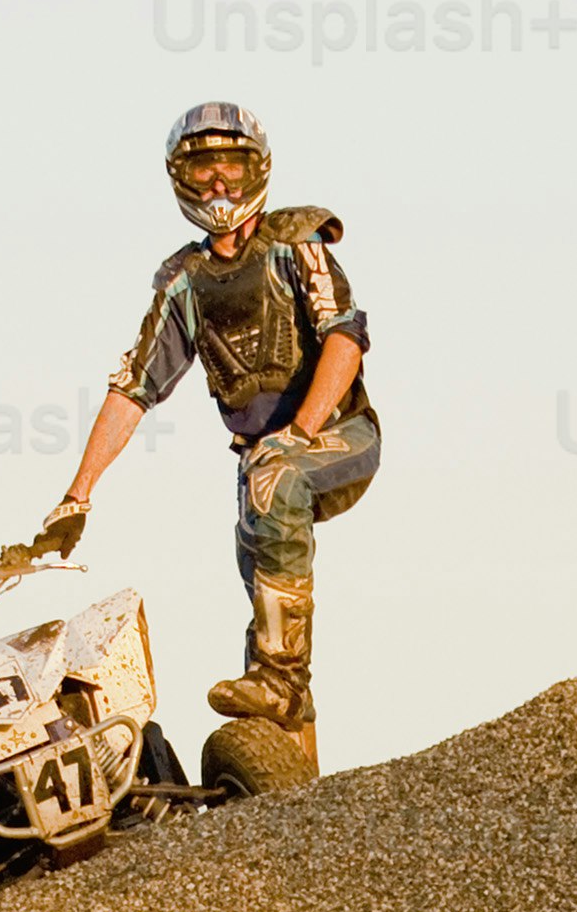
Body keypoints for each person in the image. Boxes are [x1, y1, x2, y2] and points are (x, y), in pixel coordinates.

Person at [57, 104, 371, 770]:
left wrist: (299, 433)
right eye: (203, 171)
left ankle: (280, 681)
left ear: (256, 169)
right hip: (258, 461)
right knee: (269, 592)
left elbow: (345, 338)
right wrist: (78, 493)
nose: (219, 186)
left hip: (341, 434)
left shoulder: (295, 242)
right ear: (181, 179)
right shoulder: (184, 281)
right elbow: (133, 387)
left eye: (231, 168)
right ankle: (301, 785)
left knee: (274, 485)